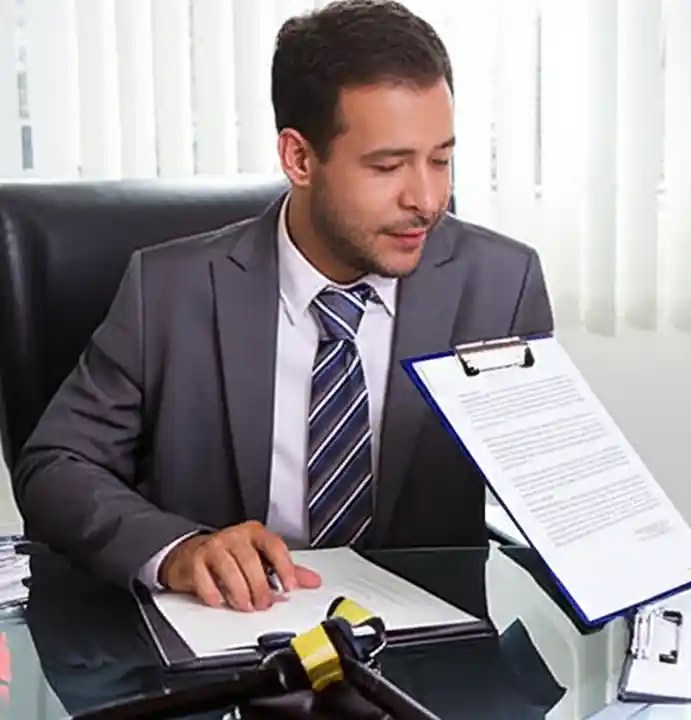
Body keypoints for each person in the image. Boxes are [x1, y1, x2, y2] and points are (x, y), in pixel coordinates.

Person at [12, 0, 553, 613]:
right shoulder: (169, 289)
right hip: (229, 643)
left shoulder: (501, 285)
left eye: (441, 159)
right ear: (299, 158)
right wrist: (179, 550)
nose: (427, 199)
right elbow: (55, 465)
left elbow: (549, 480)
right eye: (388, 166)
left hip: (425, 655)